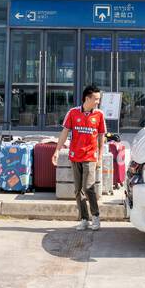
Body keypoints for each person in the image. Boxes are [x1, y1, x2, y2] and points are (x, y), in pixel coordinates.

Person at [52, 84, 105, 231]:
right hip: (75, 156)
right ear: (87, 98)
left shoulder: (99, 115)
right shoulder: (73, 113)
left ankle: (96, 216)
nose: (98, 102)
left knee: (88, 188)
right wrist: (57, 150)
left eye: (99, 99)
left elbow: (101, 137)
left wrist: (100, 156)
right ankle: (84, 219)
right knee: (78, 190)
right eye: (96, 99)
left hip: (90, 156)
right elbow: (64, 132)